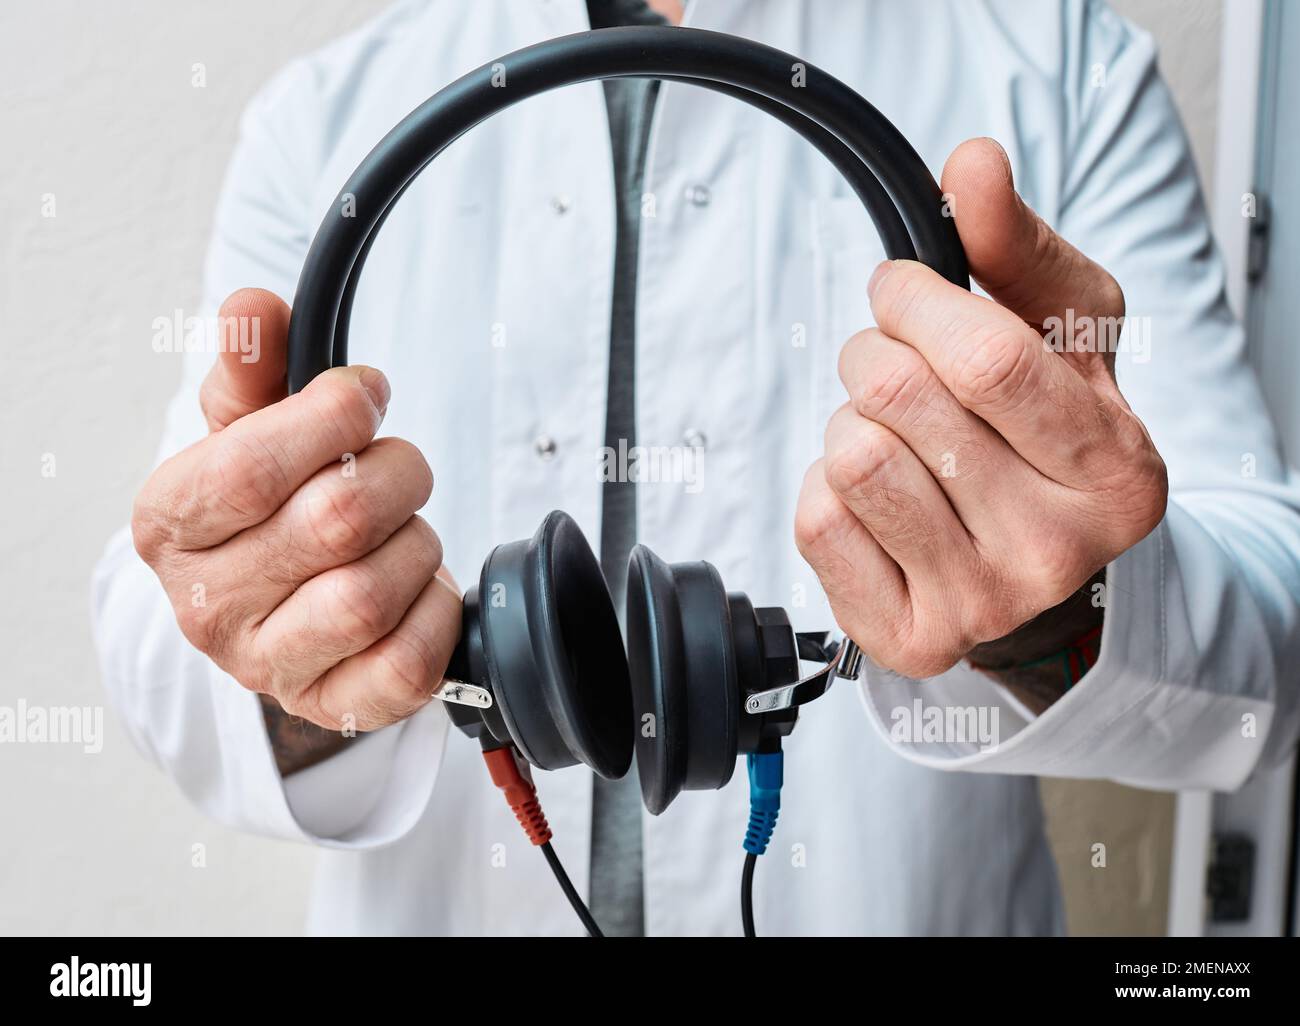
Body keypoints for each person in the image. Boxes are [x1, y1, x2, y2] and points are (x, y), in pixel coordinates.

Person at [92, 0, 1300, 936]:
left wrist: (1060, 609)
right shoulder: (322, 117)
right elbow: (165, 637)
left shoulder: (1064, 70)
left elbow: (1272, 646)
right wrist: (286, 634)